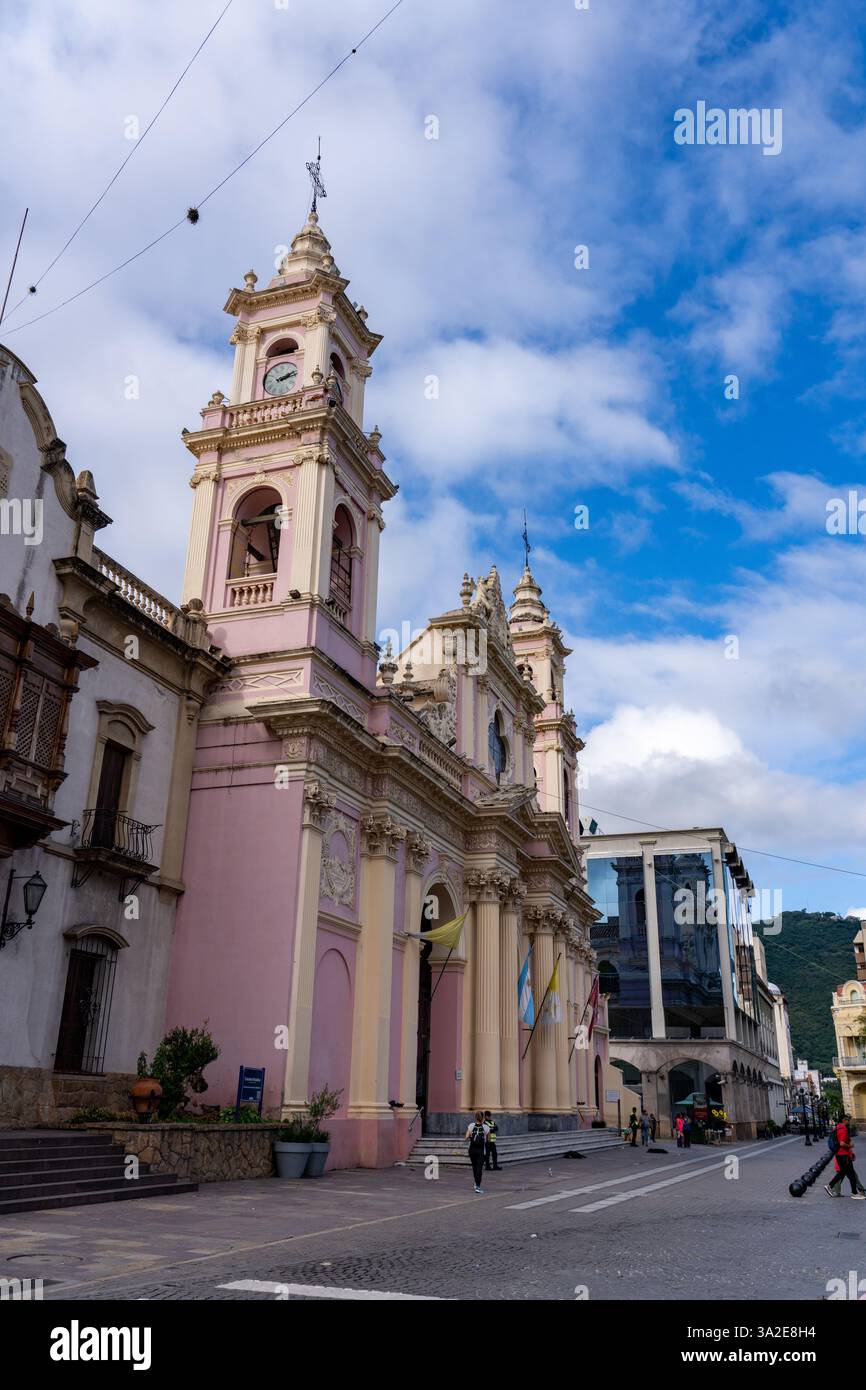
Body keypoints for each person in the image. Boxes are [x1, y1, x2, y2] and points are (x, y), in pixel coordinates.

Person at [825, 1115, 866, 1199]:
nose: (849, 1122)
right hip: (844, 1155)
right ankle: (855, 1193)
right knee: (851, 1174)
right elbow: (842, 1143)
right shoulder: (842, 1130)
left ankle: (830, 1186)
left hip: (841, 1155)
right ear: (844, 1120)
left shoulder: (837, 1128)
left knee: (843, 1173)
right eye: (848, 1120)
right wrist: (850, 1146)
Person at [465, 1111, 490, 1193]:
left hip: (472, 1150)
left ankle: (476, 1183)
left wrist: (471, 1136)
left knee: (475, 1167)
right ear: (483, 1118)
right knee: (479, 1168)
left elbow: (466, 1137)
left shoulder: (471, 1126)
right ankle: (478, 1186)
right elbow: (489, 1140)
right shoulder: (486, 1127)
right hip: (481, 1151)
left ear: (475, 1117)